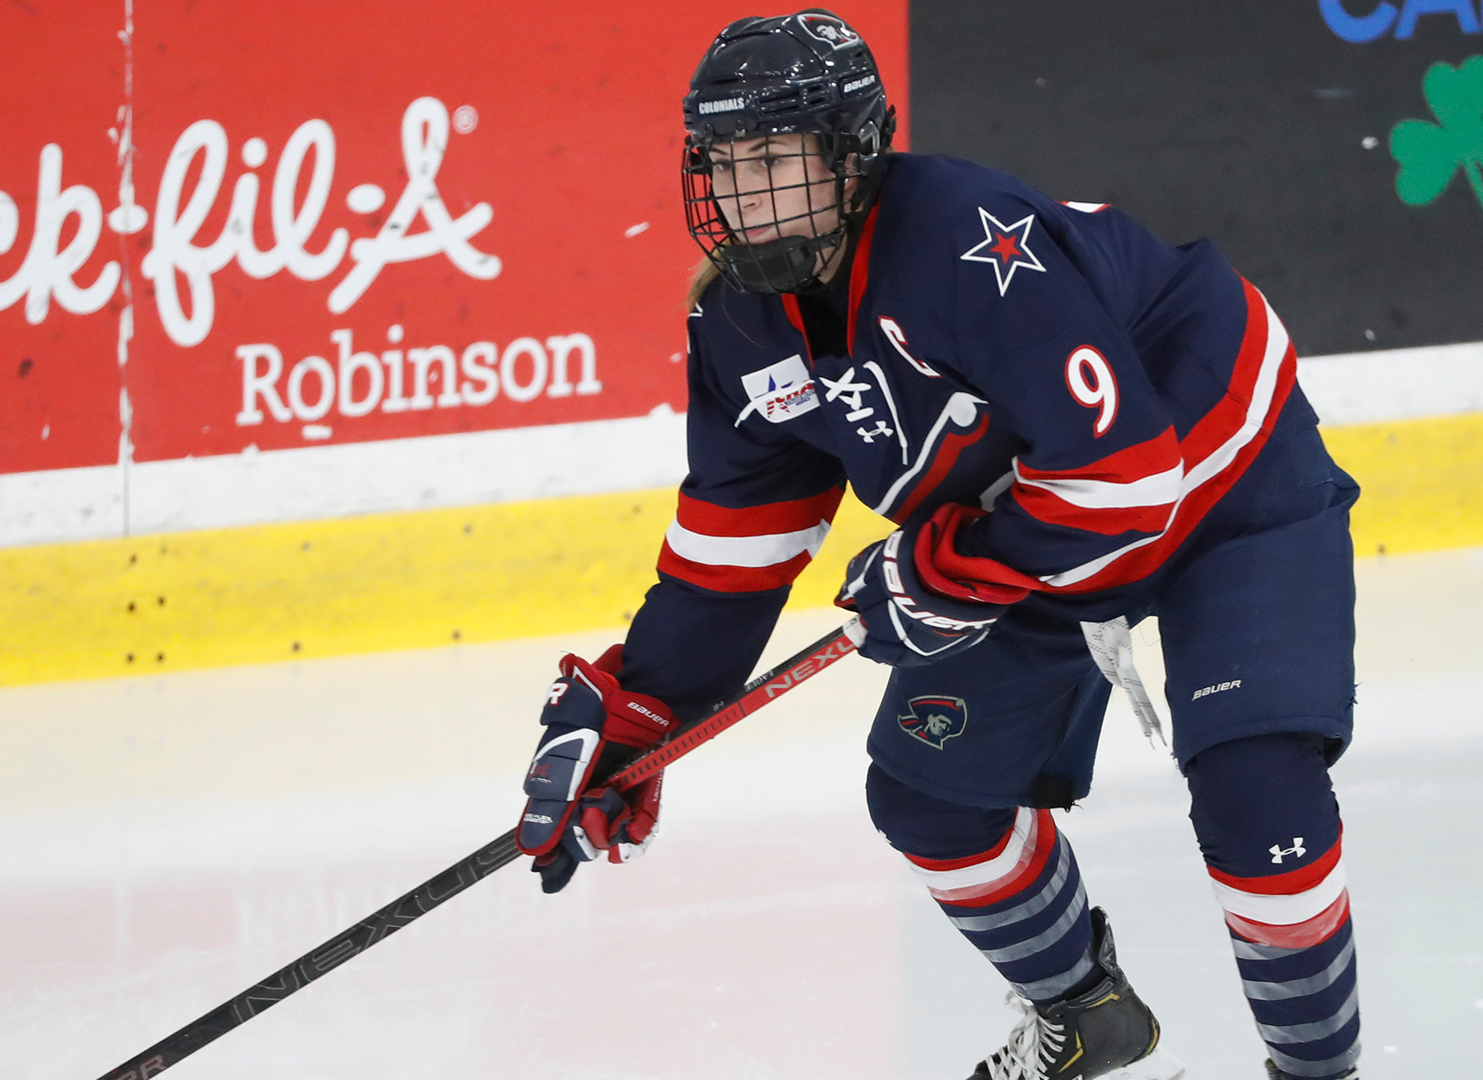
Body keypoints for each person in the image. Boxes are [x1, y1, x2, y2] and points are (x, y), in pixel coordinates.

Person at [512, 10, 1363, 1080]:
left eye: (773, 159)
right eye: (725, 165)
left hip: (1219, 481)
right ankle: (1086, 1018)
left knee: (1256, 793)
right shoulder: (741, 324)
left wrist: (946, 569)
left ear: (851, 155)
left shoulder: (965, 242)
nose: (744, 196)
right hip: (1032, 525)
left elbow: (1128, 474)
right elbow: (737, 544)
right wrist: (641, 711)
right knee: (930, 799)